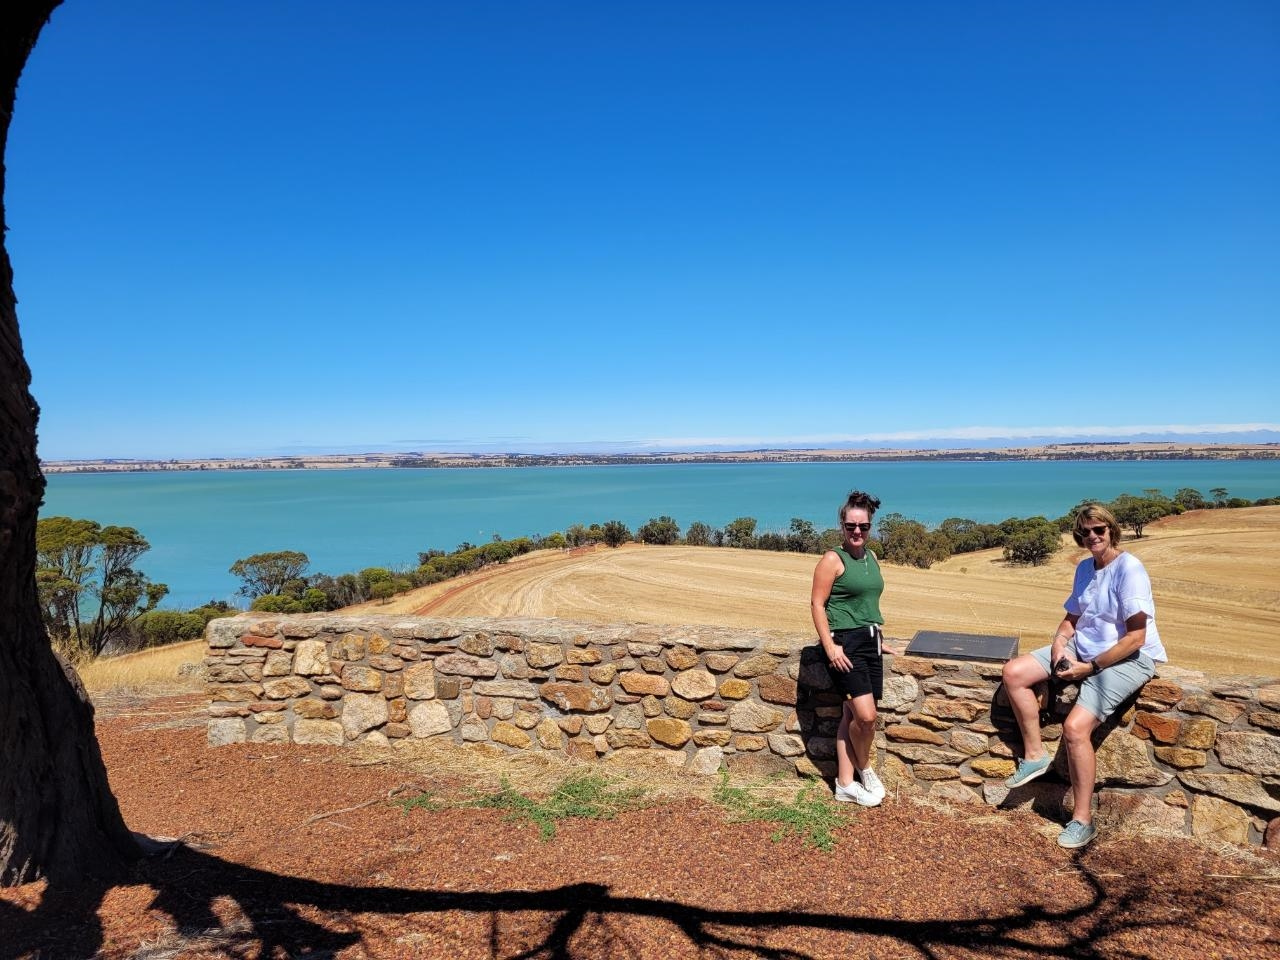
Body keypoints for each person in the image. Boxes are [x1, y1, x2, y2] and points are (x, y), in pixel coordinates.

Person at [1001, 503, 1167, 849]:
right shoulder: (1085, 569)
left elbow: (1136, 637)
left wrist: (1090, 668)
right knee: (1014, 672)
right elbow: (1071, 619)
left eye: (1098, 530)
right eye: (1084, 532)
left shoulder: (1129, 569)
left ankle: (1082, 820)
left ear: (1111, 530)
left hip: (1128, 657)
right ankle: (1035, 756)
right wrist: (1060, 645)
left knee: (1075, 728)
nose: (1092, 536)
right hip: (1083, 649)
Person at [811, 490, 891, 806]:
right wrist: (830, 646)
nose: (857, 532)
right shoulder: (833, 559)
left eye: (863, 526)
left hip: (870, 640)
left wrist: (879, 640)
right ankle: (865, 767)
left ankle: (844, 784)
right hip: (845, 643)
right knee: (866, 717)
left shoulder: (871, 558)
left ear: (871, 527)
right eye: (850, 526)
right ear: (841, 526)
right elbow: (817, 604)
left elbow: (868, 602)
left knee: (850, 714)